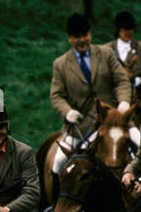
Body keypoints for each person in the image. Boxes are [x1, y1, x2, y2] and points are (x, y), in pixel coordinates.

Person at [49, 14, 132, 164]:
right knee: (58, 162)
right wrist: (68, 112)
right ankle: (57, 188)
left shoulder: (106, 54)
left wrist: (124, 102)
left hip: (113, 120)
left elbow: (121, 81)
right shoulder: (60, 64)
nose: (82, 40)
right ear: (69, 38)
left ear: (90, 34)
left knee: (140, 143)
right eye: (76, 37)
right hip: (81, 125)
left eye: (84, 35)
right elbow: (57, 96)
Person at [102, 11, 141, 93]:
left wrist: (139, 81)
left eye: (130, 29)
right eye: (124, 29)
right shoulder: (106, 49)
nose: (128, 32)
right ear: (118, 30)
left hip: (137, 98)